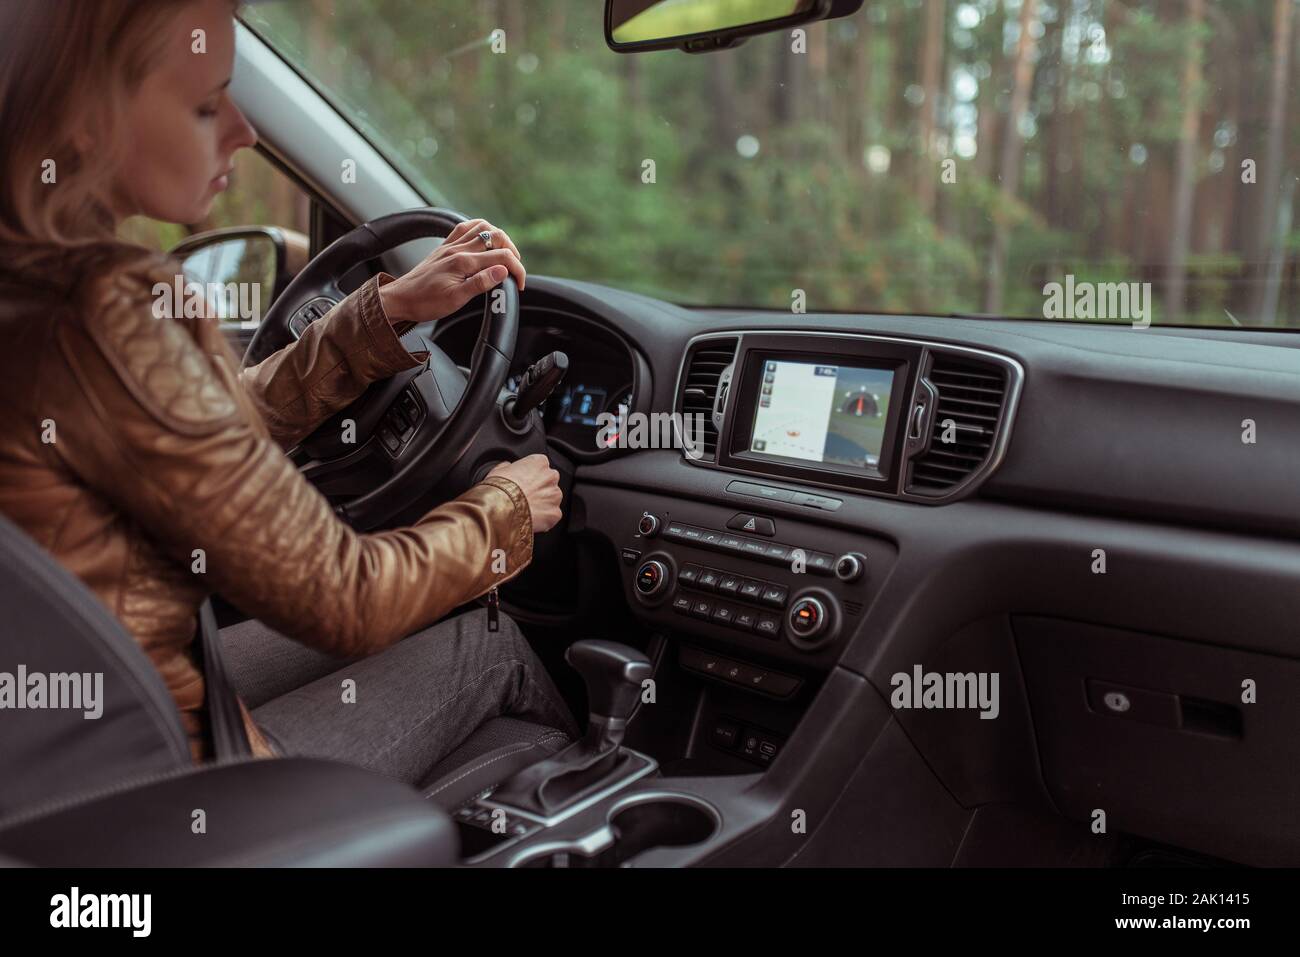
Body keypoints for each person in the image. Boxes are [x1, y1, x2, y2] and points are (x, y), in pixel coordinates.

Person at [0, 0, 581, 787]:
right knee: (489, 642)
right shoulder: (104, 310)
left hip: (76, 741)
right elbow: (347, 596)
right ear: (81, 122)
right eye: (207, 105)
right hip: (170, 783)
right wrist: (504, 512)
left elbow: (210, 431)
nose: (243, 130)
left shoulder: (37, 297)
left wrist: (382, 315)